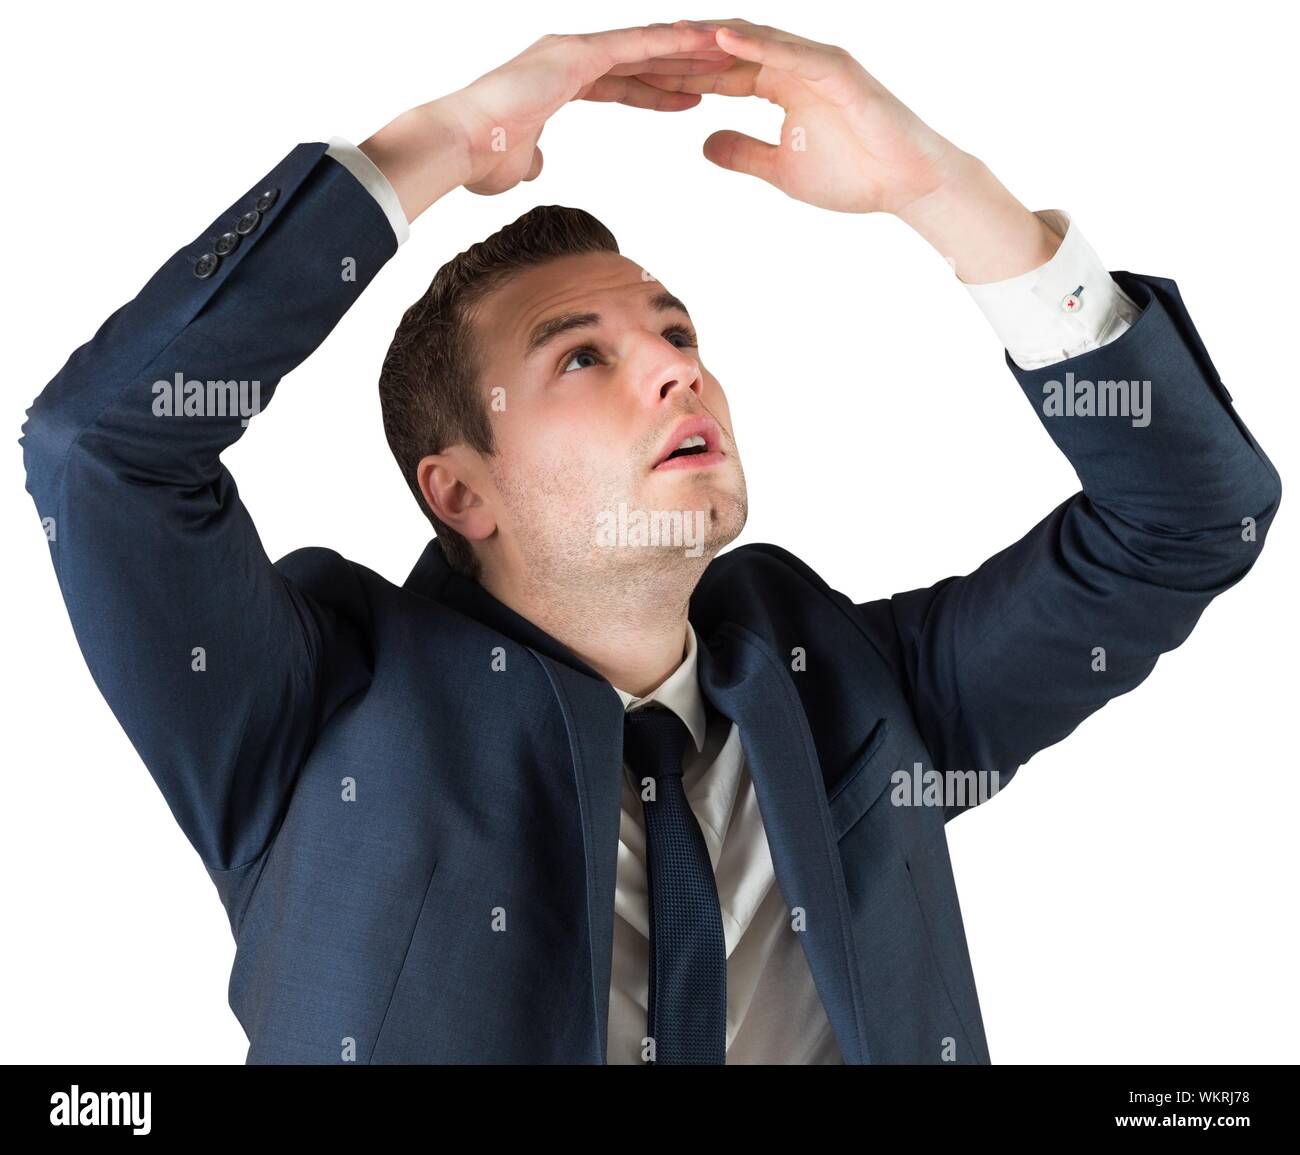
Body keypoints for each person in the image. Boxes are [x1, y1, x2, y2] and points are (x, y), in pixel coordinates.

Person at [19, 19, 1282, 1064]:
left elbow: (1185, 520)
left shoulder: (852, 688)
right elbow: (102, 449)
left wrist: (942, 195)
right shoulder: (305, 711)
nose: (678, 370)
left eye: (678, 334)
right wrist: (442, 145)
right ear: (461, 492)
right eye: (585, 355)